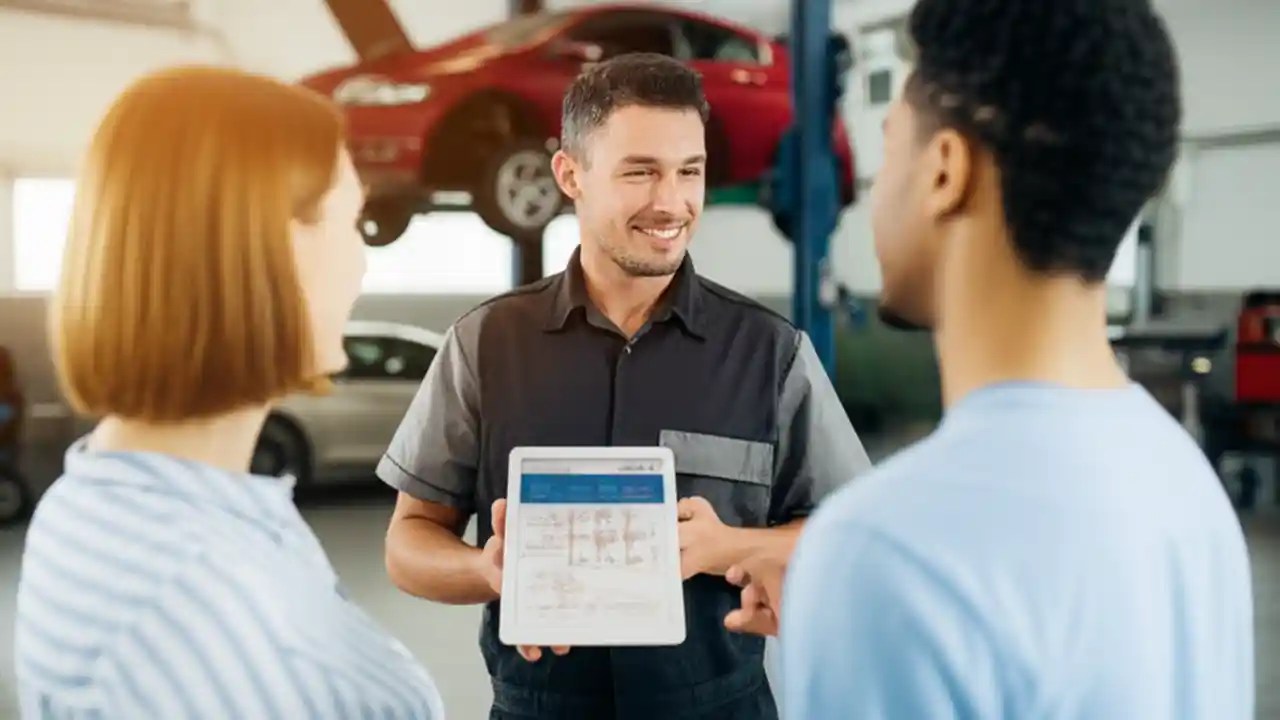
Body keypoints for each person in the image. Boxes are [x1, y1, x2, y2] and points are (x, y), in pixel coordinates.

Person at [726, 0, 1255, 717]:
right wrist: (857, 635)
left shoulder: (890, 547)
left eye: (891, 144)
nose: (873, 200)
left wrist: (862, 601)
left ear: (945, 170)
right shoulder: (1183, 483)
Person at [377, 52, 871, 719]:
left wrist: (737, 546)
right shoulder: (485, 345)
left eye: (688, 172)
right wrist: (488, 570)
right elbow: (408, 544)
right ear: (569, 174)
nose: (670, 203)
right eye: (640, 172)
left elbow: (850, 536)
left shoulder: (772, 354)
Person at [13, 66, 446, 719]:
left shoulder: (118, 496)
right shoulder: (189, 605)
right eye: (351, 220)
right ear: (264, 247)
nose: (361, 259)